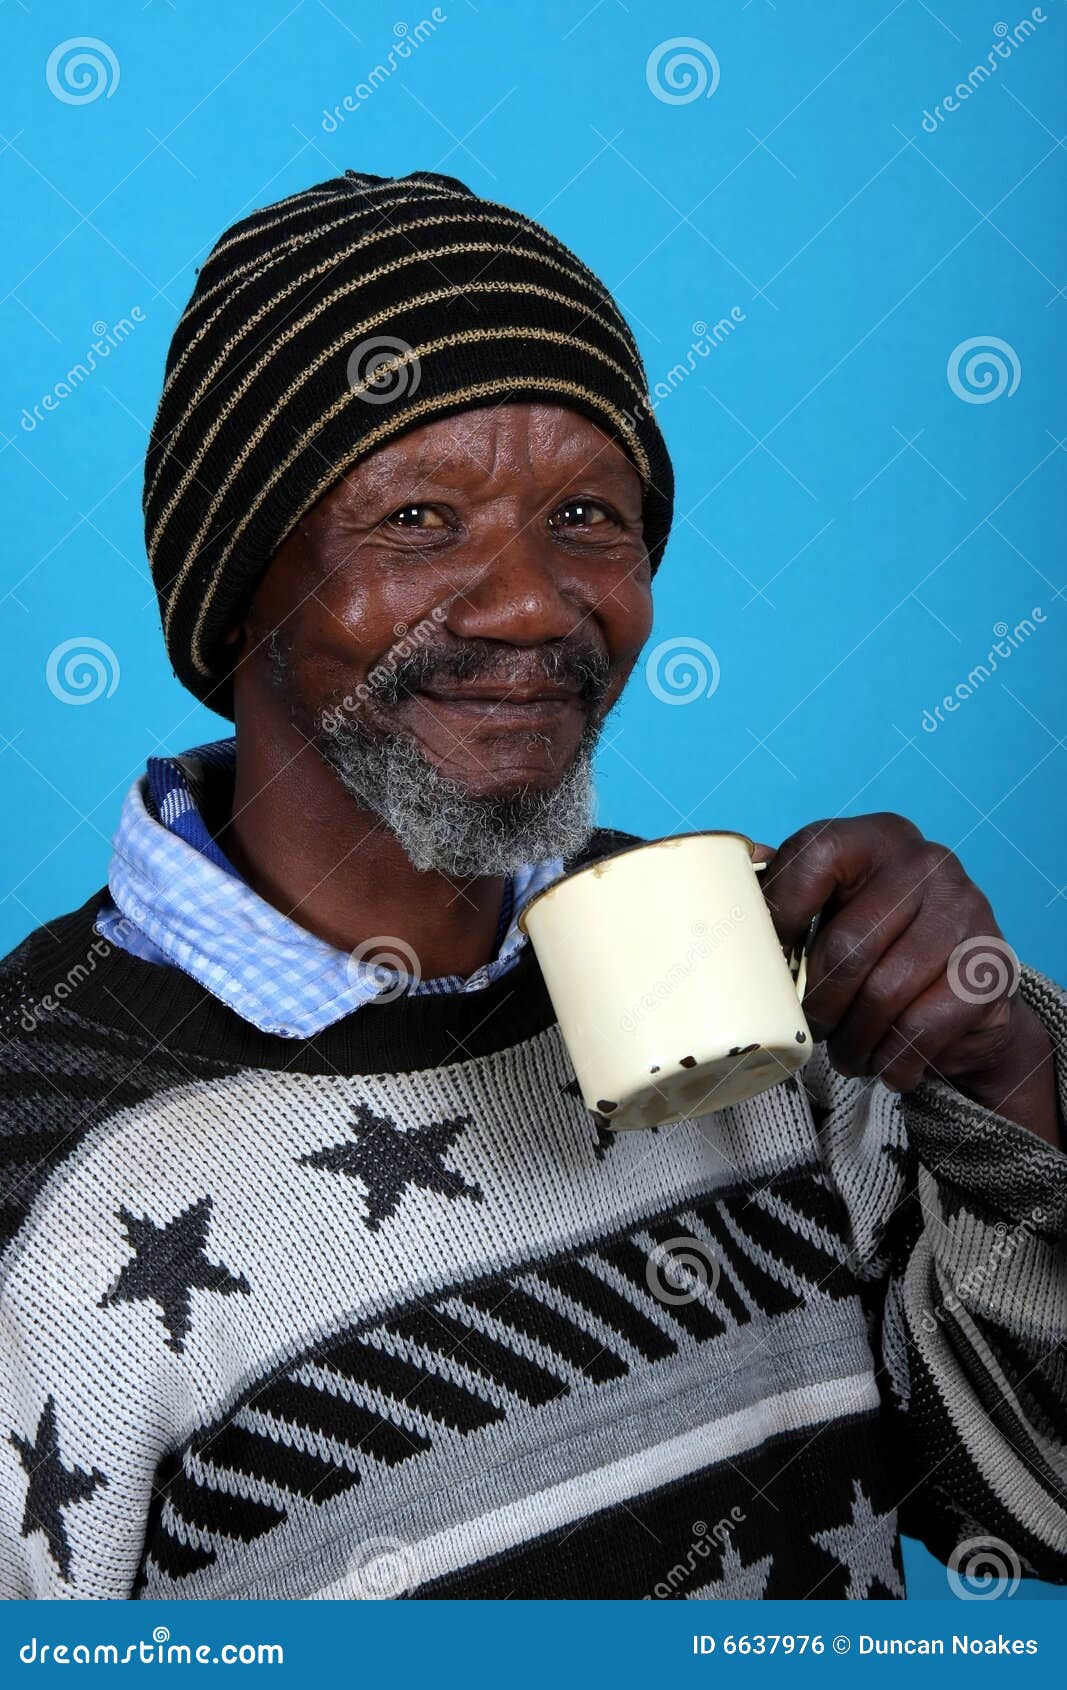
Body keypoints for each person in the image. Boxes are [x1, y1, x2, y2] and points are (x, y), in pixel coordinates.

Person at [1, 171, 1064, 1602]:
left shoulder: (758, 972)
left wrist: (1010, 1102)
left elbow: (1038, 1511)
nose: (527, 603)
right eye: (421, 518)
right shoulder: (43, 1138)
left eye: (587, 516)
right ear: (237, 577)